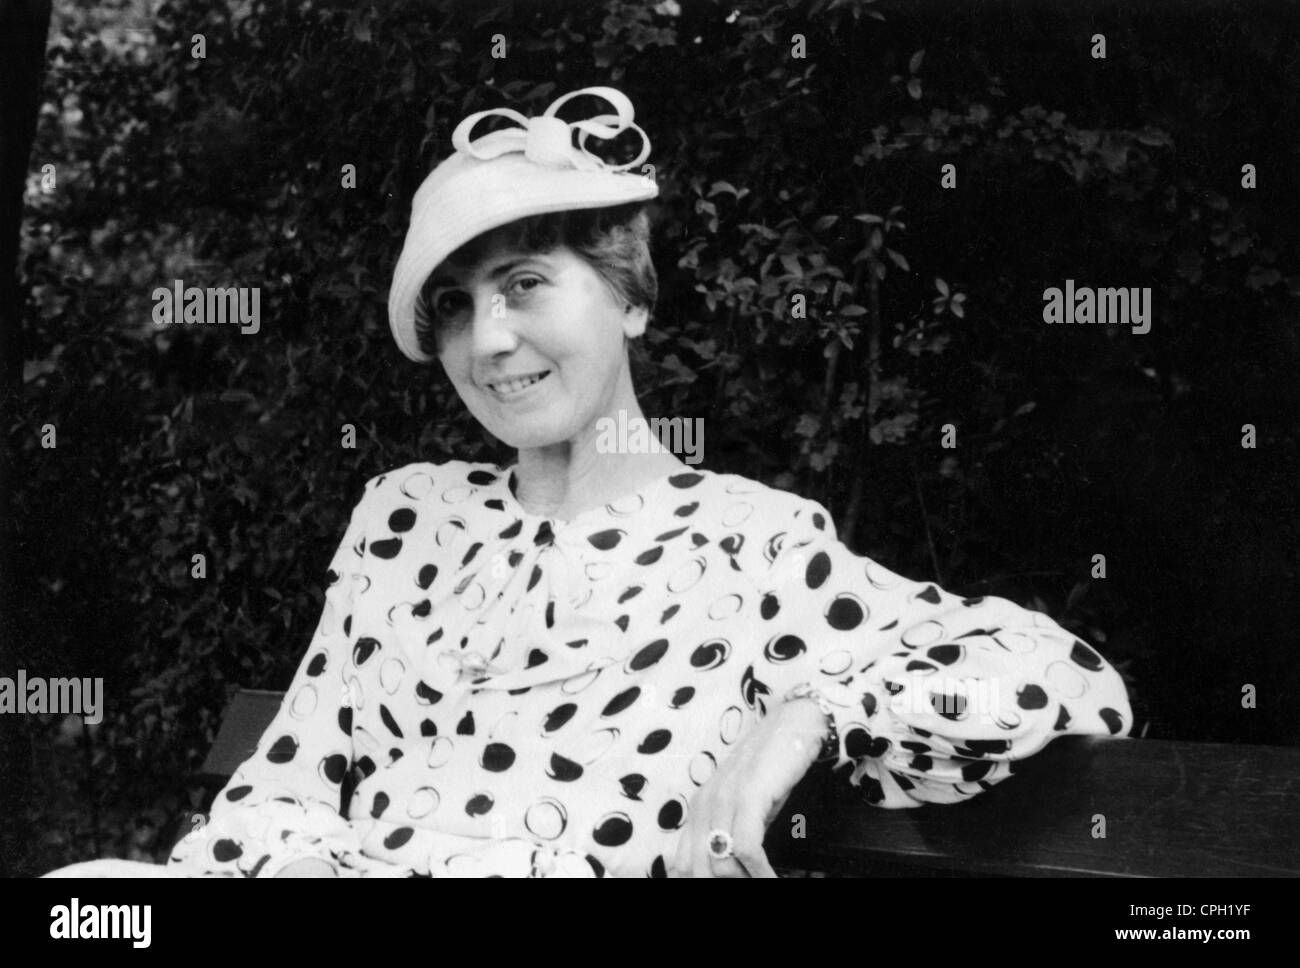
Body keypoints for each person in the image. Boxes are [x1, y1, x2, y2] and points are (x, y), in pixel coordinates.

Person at [46, 86, 1131, 879]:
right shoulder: (408, 516)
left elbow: (1067, 680)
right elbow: (291, 776)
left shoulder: (748, 544)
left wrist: (811, 709)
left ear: (631, 297)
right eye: (460, 306)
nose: (492, 337)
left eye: (525, 283)